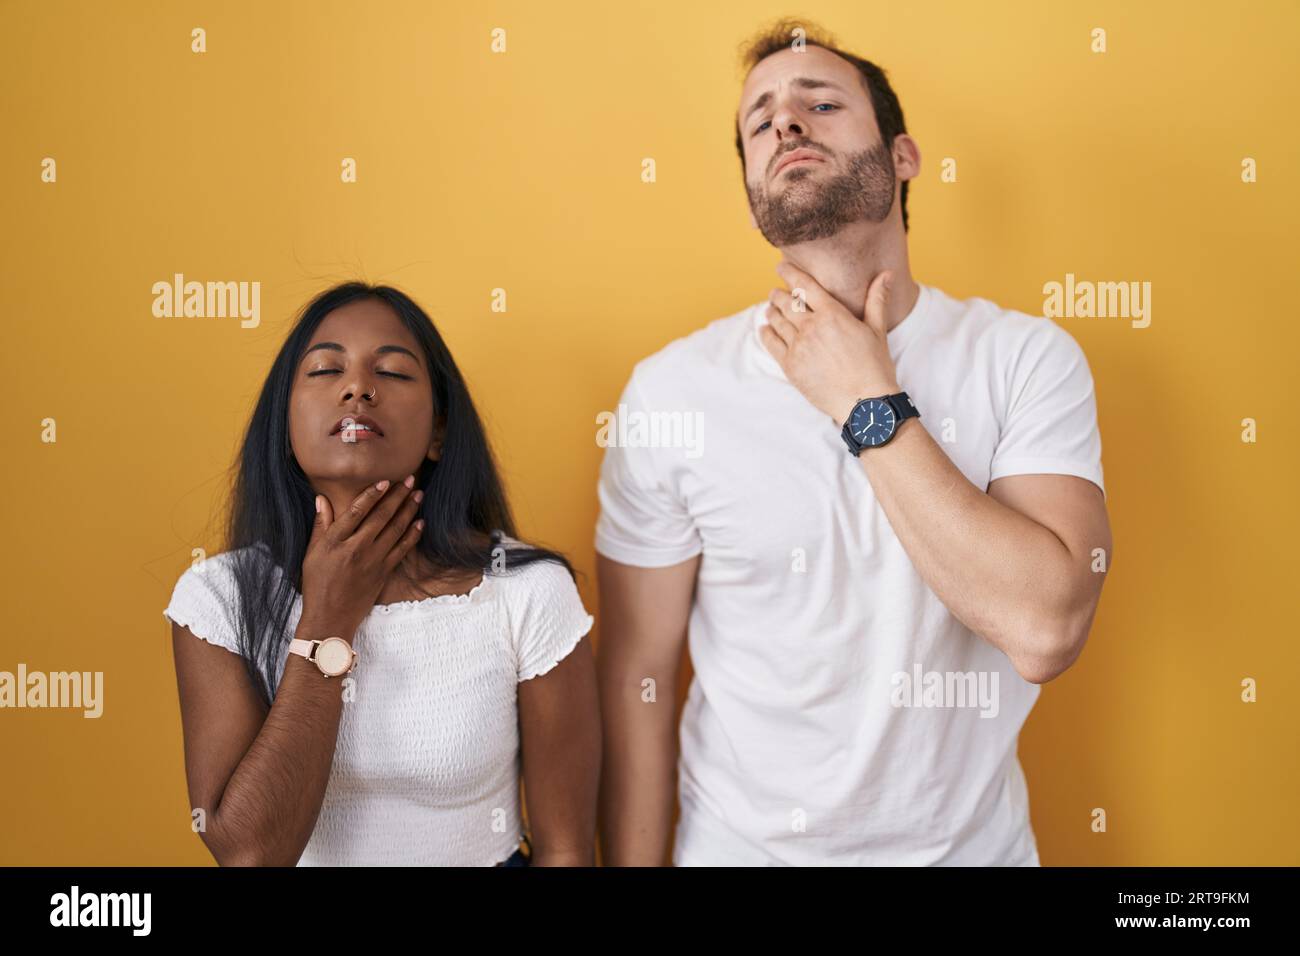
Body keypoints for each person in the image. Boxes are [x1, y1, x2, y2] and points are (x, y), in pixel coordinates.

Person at [595, 20, 1112, 866]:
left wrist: (866, 401)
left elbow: (1046, 628)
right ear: (754, 190)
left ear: (903, 157)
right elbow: (634, 683)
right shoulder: (671, 393)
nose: (785, 124)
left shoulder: (1026, 359)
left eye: (820, 104)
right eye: (759, 122)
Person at [165, 282, 600, 866]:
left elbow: (566, 850)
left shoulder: (528, 592)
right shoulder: (217, 600)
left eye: (392, 373)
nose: (357, 387)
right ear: (286, 425)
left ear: (439, 433)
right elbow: (249, 854)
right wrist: (329, 617)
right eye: (324, 369)